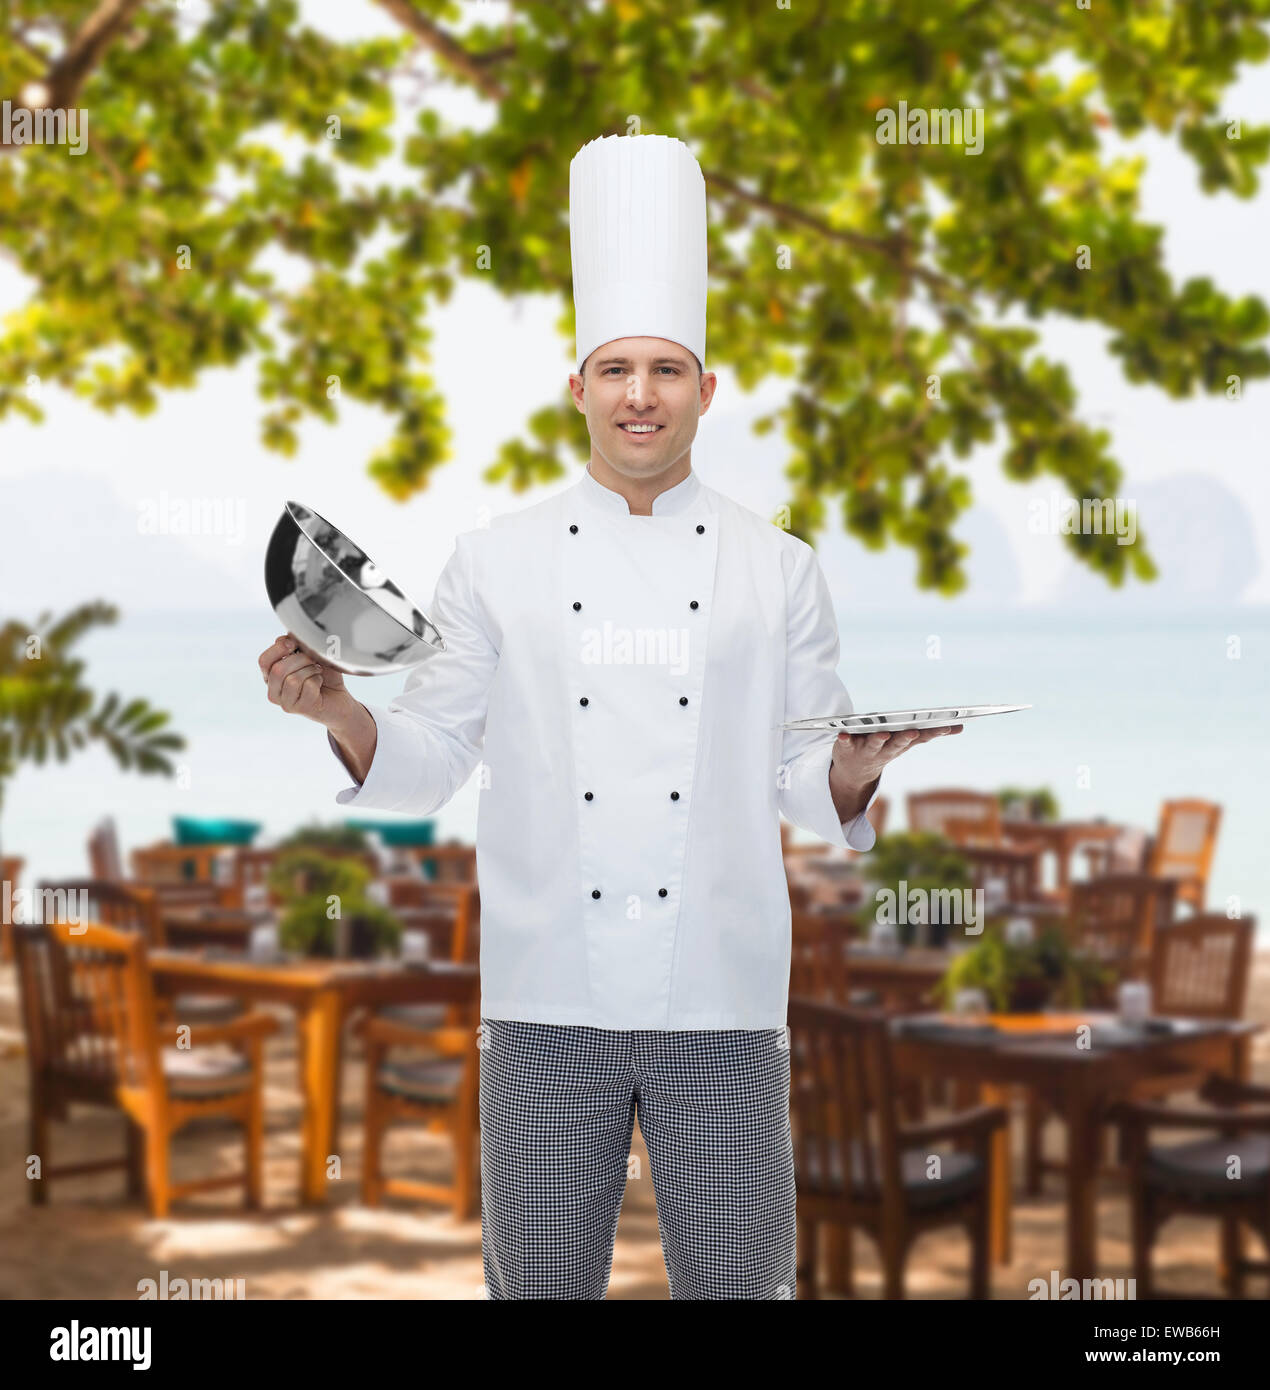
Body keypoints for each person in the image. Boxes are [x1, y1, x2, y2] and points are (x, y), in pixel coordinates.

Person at [258, 133, 960, 1300]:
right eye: (617, 369)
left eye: (667, 370)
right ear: (576, 387)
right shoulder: (493, 560)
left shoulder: (777, 566)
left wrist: (852, 772)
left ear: (707, 390)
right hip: (543, 998)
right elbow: (430, 756)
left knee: (740, 1289)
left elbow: (801, 774)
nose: (641, 395)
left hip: (724, 1000)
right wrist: (337, 706)